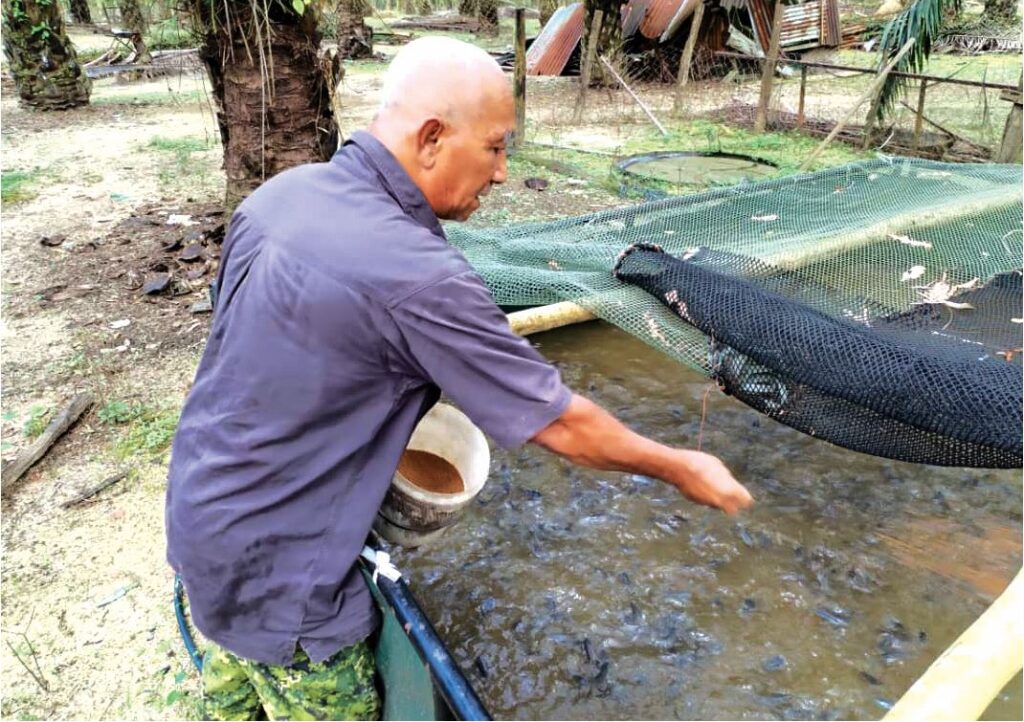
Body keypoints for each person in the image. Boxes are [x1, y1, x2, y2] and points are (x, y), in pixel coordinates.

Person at [166, 36, 753, 721]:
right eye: (497, 147)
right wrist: (679, 465)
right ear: (433, 138)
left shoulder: (280, 197)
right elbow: (559, 422)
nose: (503, 174)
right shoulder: (419, 276)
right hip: (281, 586)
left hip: (198, 521)